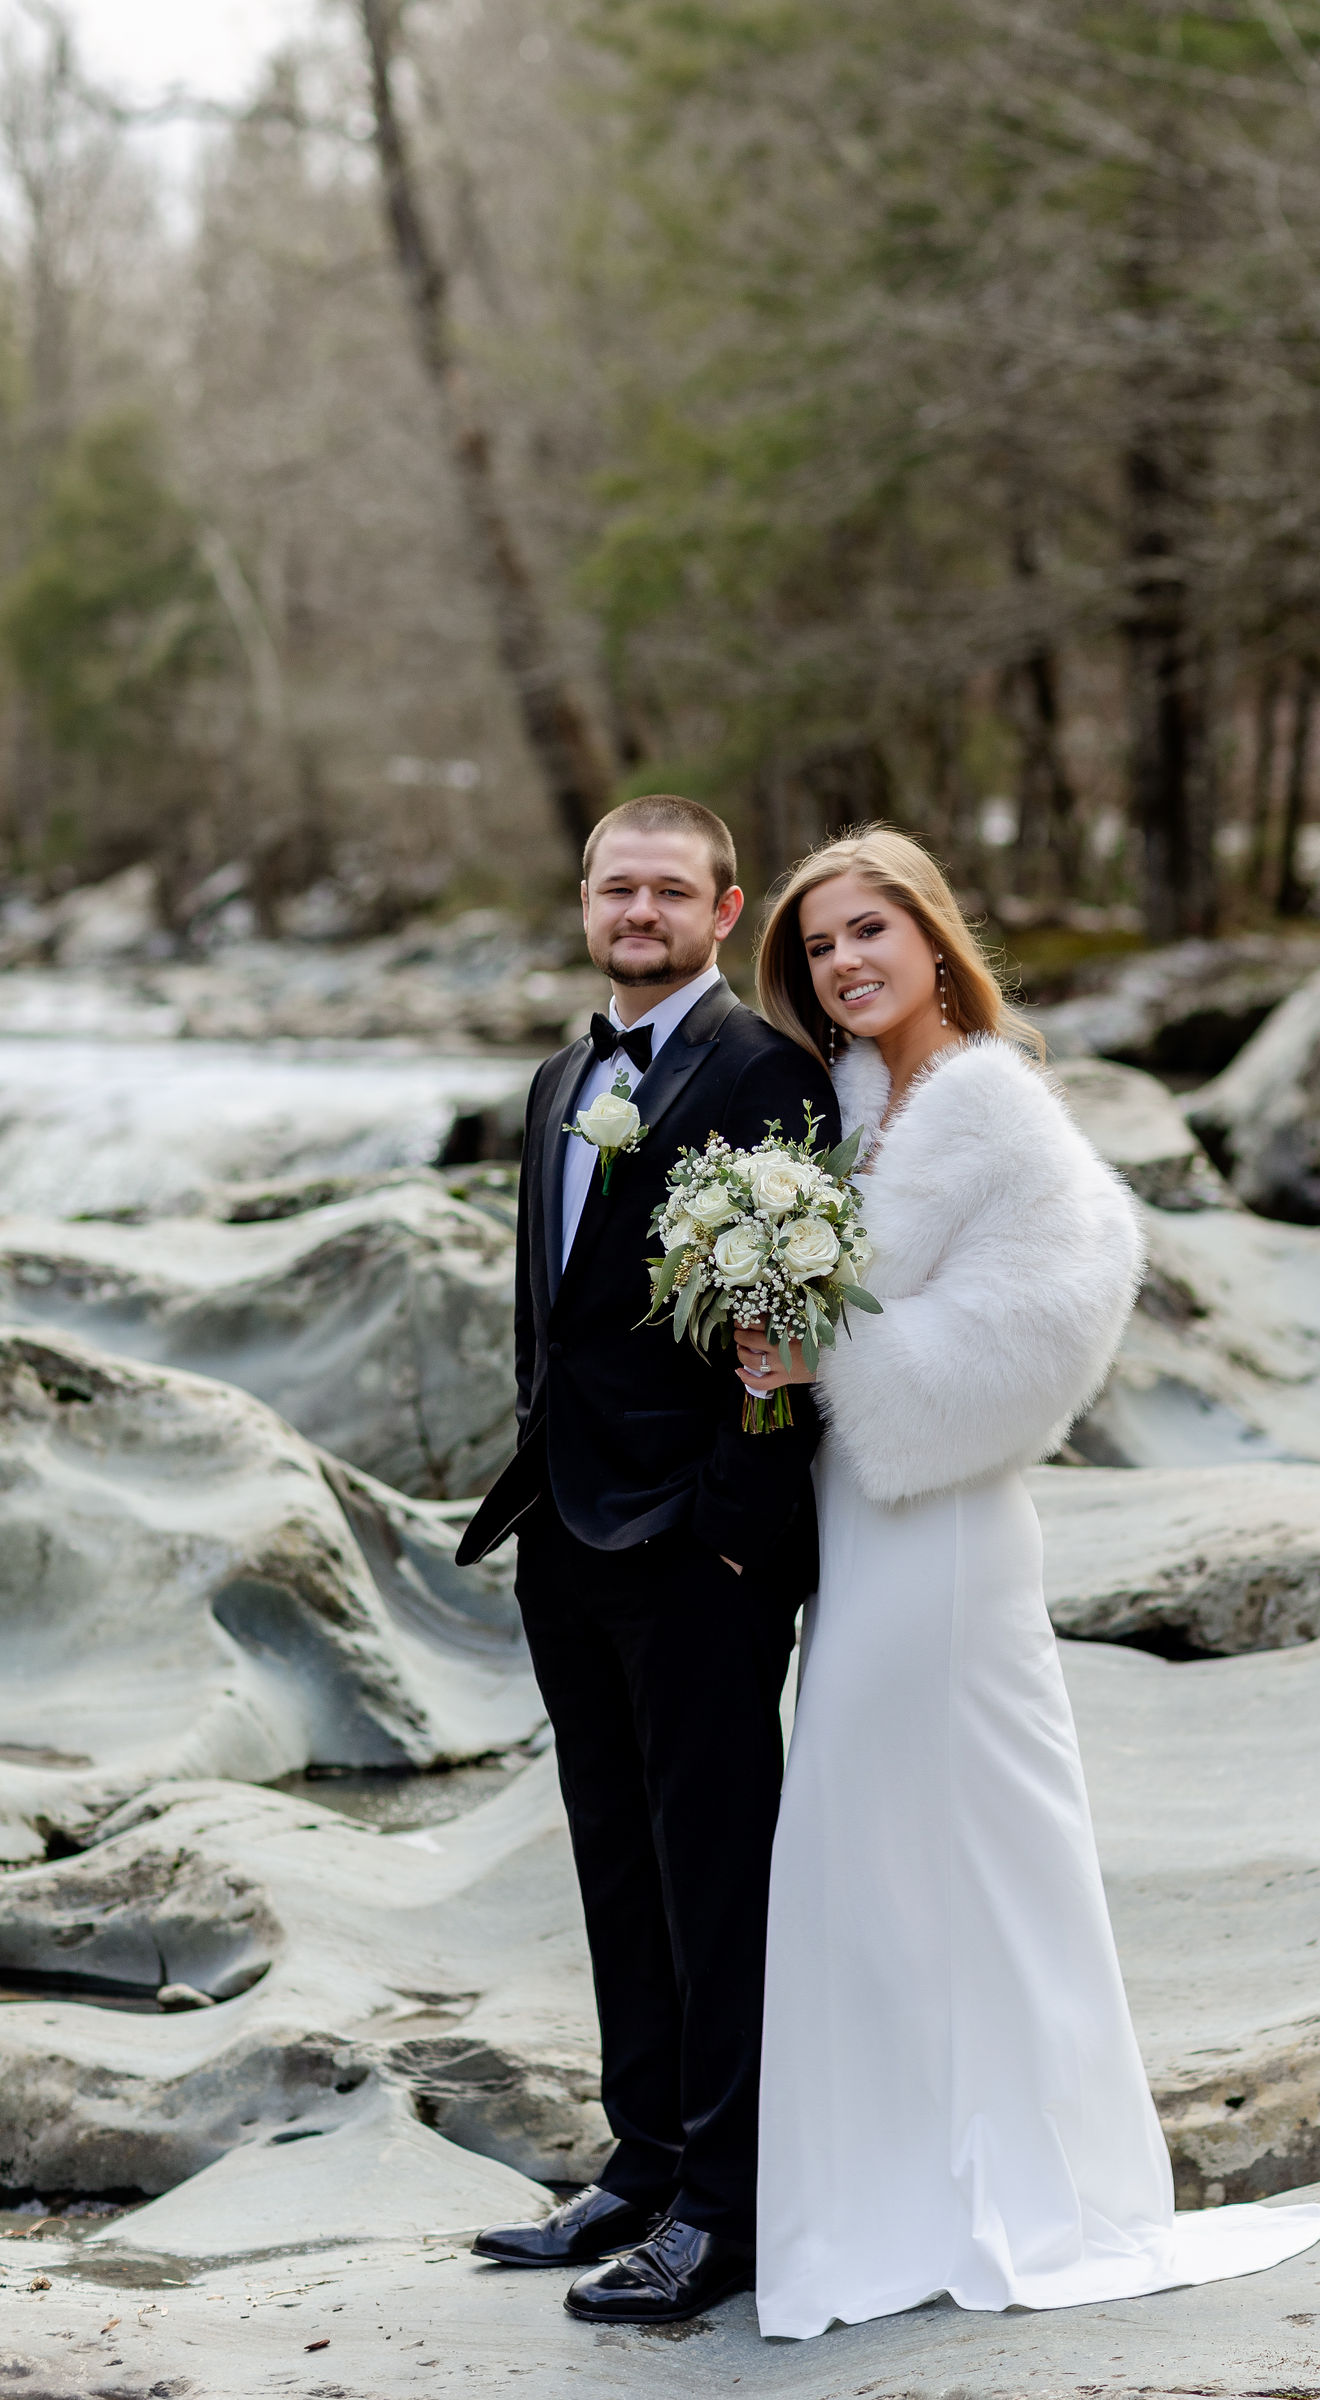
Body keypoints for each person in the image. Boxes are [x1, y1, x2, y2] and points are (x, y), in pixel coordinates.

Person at [739, 825, 1320, 2340]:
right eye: (818, 947)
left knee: (949, 1843)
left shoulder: (997, 1112)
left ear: (938, 943)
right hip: (858, 1518)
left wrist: (836, 1355)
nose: (846, 964)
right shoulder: (849, 1111)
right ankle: (892, 2186)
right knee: (864, 1852)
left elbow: (1047, 1333)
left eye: (872, 930)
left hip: (945, 1527)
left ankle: (1009, 2189)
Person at [457, 795, 839, 2327]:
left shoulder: (765, 1076)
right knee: (615, 1854)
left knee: (714, 1876)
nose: (638, 910)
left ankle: (729, 2210)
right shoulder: (561, 1072)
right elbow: (551, 1310)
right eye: (618, 887)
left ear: (725, 910)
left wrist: (743, 1533)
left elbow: (794, 1320)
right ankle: (646, 2156)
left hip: (698, 1548)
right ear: (585, 897)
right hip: (565, 1530)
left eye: (669, 891)